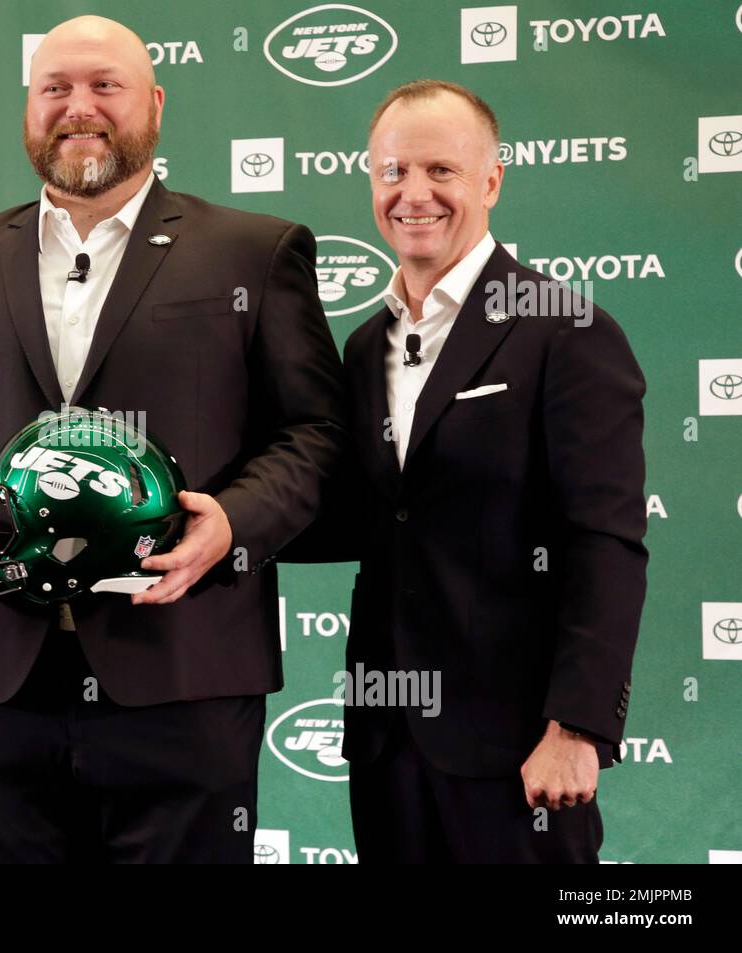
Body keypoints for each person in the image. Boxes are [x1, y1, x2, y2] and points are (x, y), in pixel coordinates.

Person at [0, 15, 346, 863]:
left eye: (104, 86)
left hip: (185, 679)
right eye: (56, 88)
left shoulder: (254, 254)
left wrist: (233, 523)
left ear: (154, 103)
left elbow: (316, 431)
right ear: (28, 109)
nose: (78, 106)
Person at [292, 79, 646, 862]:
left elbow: (605, 544)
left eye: (441, 171)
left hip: (522, 751)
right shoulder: (361, 348)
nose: (414, 194)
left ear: (491, 180)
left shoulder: (568, 330)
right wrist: (197, 516)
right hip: (388, 744)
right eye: (393, 173)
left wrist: (576, 727)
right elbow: (359, 515)